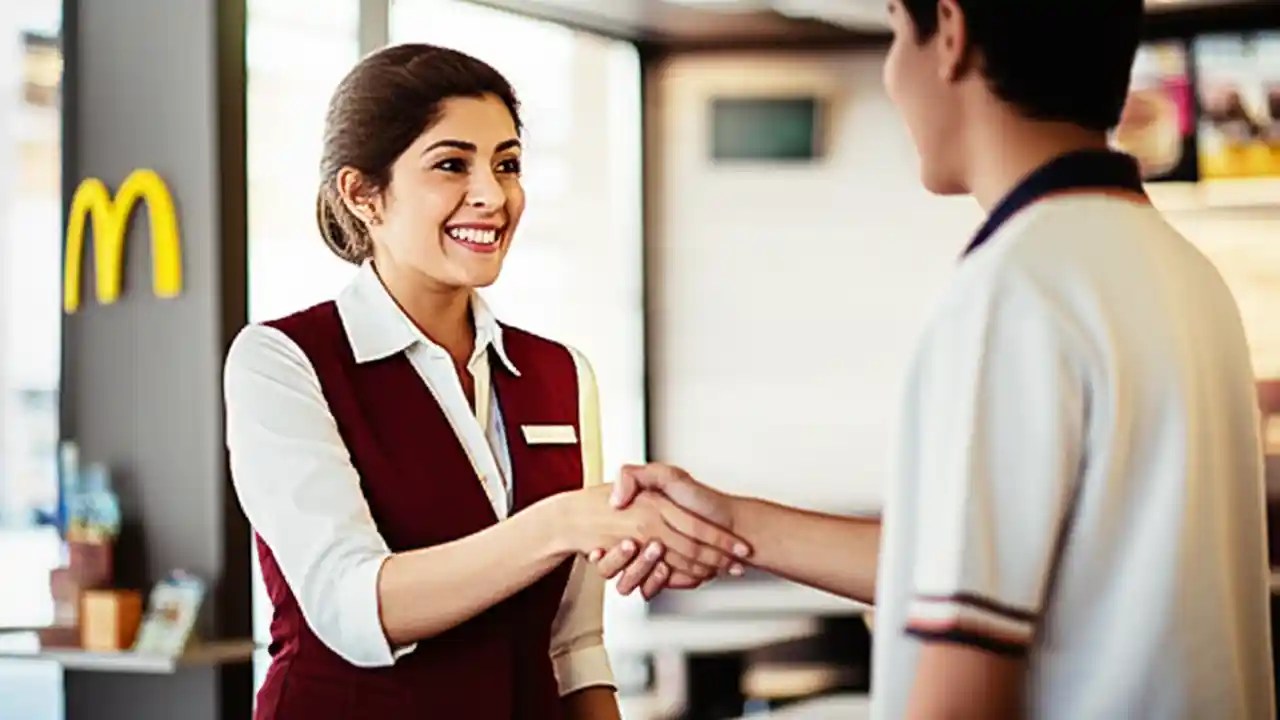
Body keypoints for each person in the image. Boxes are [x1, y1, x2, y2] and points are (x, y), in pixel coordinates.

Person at [592, 1, 1277, 718]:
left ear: (948, 35)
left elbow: (964, 685)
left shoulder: (1017, 288)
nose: (893, 73)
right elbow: (989, 567)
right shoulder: (1179, 271)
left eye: (895, 30)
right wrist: (734, 522)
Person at [223, 44, 747, 720]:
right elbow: (354, 608)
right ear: (363, 194)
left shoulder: (559, 373)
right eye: (451, 165)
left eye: (507, 164)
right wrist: (559, 522)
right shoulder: (282, 361)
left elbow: (575, 645)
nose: (493, 196)